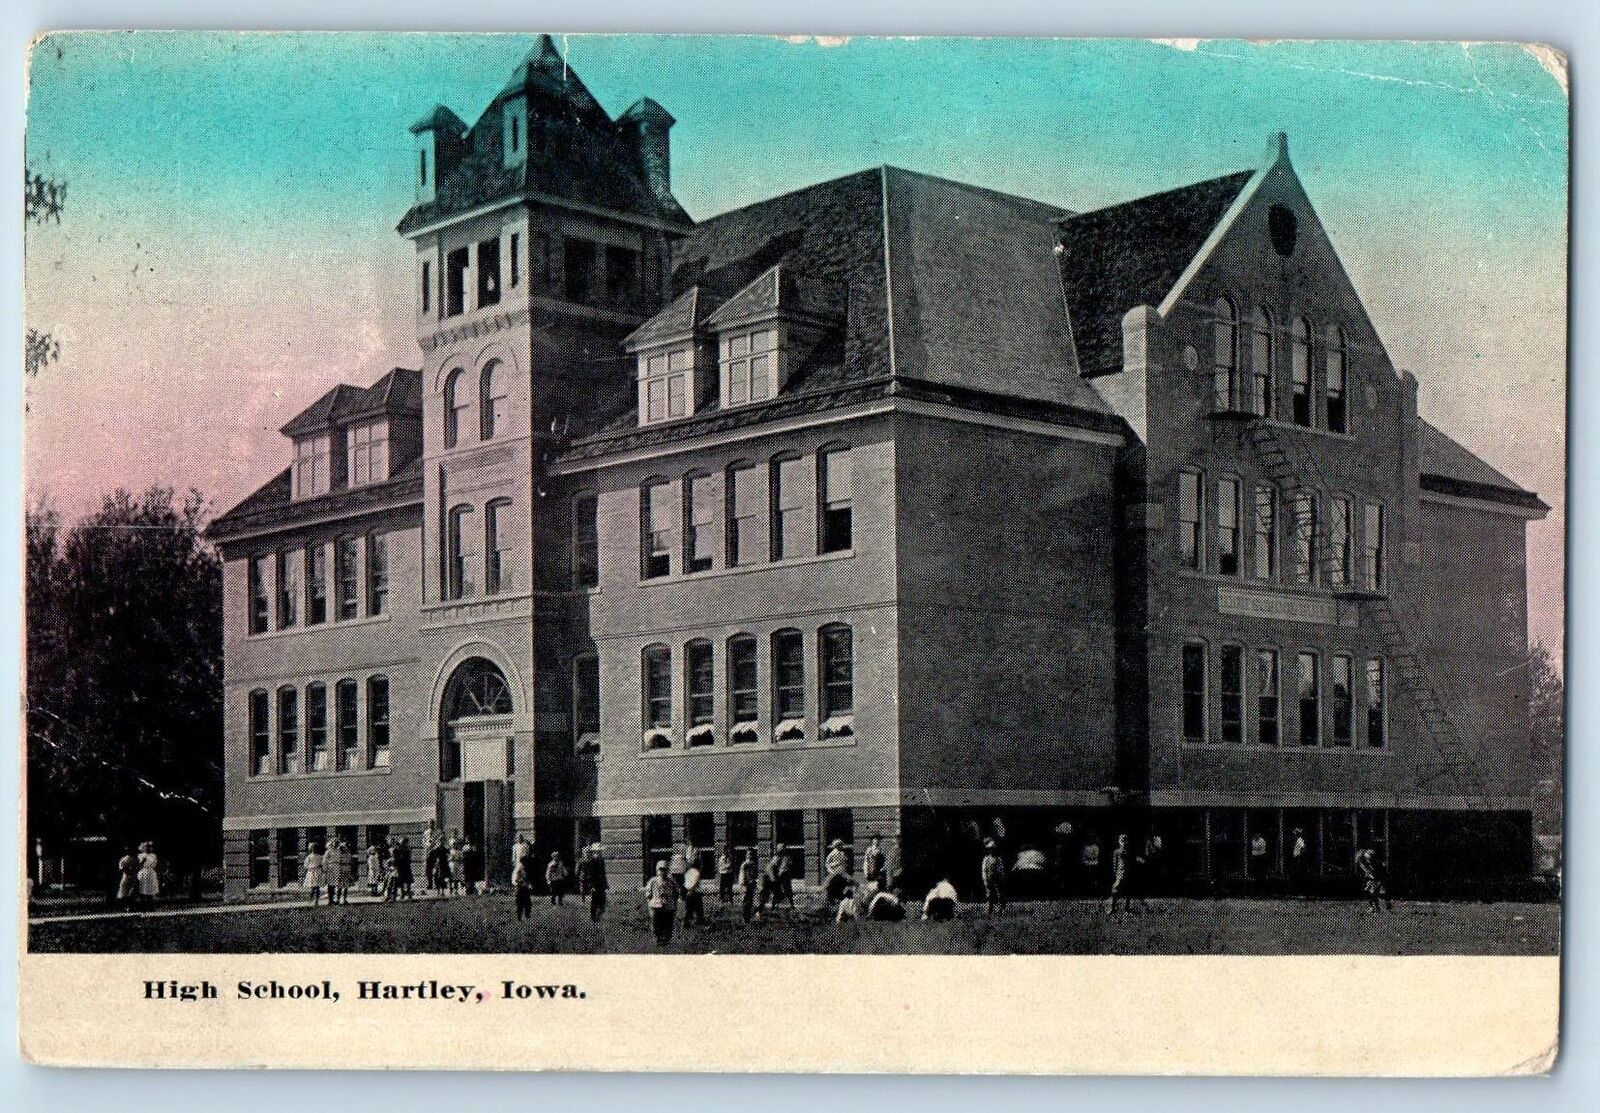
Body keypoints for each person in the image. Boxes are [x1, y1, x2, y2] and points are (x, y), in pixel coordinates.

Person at [644, 860, 679, 947]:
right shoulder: (653, 881)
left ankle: (666, 939)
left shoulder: (671, 881)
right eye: (660, 870)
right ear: (657, 870)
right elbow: (648, 893)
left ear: (667, 870)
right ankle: (658, 938)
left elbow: (676, 892)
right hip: (657, 905)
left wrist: (674, 903)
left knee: (668, 923)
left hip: (668, 905)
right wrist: (650, 903)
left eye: (664, 870)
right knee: (657, 923)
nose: (662, 872)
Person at [1356, 848, 1392, 913]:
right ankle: (1374, 907)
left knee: (1377, 893)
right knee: (1371, 893)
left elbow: (1378, 874)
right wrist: (1368, 873)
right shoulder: (1368, 863)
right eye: (1366, 858)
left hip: (1379, 879)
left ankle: (1382, 906)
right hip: (1374, 879)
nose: (1367, 860)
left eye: (1368, 858)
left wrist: (1371, 874)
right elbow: (1365, 868)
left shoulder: (1377, 864)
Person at [1105, 833, 1132, 915]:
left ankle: (1126, 909)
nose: (1124, 843)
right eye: (1122, 841)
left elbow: (1131, 863)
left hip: (1127, 873)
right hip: (1120, 873)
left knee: (1128, 892)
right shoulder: (1116, 852)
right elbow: (1115, 863)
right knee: (1114, 890)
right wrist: (1116, 873)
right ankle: (1112, 908)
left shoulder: (1128, 852)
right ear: (1119, 841)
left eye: (1125, 841)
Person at [981, 839, 1007, 913]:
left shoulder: (998, 859)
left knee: (999, 894)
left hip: (997, 879)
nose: (991, 851)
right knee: (989, 895)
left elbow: (1001, 869)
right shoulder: (986, 859)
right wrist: (985, 879)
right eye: (990, 849)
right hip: (989, 879)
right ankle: (989, 907)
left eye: (993, 849)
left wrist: (1001, 877)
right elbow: (984, 870)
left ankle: (1000, 908)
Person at [824, 839, 852, 904]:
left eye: (841, 845)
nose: (841, 847)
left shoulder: (842, 854)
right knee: (829, 885)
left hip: (842, 873)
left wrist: (844, 866)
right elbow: (827, 864)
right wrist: (832, 870)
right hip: (834, 873)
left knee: (848, 883)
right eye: (839, 845)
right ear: (836, 846)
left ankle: (845, 899)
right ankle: (830, 900)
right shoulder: (832, 854)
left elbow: (845, 862)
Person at [587, 844, 609, 922]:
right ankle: (593, 916)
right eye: (598, 852)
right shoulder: (591, 862)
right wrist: (592, 885)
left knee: (602, 900)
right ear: (594, 852)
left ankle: (599, 915)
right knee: (594, 901)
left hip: (601, 884)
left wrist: (606, 884)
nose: (599, 853)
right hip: (595, 884)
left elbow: (603, 873)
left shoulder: (601, 860)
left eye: (600, 852)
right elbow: (590, 875)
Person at [136, 842, 160, 909]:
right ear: (144, 848)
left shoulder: (154, 855)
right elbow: (139, 866)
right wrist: (142, 861)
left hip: (151, 872)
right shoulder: (140, 855)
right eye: (147, 847)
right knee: (143, 889)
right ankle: (142, 906)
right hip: (144, 872)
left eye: (149, 847)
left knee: (150, 889)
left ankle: (150, 905)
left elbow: (155, 865)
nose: (148, 848)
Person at [740, 848, 760, 923]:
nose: (749, 855)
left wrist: (755, 881)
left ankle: (748, 918)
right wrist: (743, 886)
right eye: (748, 854)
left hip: (751, 885)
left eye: (751, 854)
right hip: (745, 885)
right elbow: (742, 876)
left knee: (751, 902)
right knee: (745, 902)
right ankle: (745, 918)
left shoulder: (753, 864)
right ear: (746, 855)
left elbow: (754, 875)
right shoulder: (744, 865)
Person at [303, 842, 326, 906]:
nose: (314, 850)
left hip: (318, 872)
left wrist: (323, 870)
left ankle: (316, 900)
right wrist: (310, 867)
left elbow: (322, 864)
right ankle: (310, 900)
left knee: (318, 887)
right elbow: (305, 865)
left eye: (315, 848)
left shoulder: (320, 856)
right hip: (312, 872)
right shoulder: (309, 857)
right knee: (312, 887)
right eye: (313, 848)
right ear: (311, 849)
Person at [512, 857, 533, 921]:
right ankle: (521, 917)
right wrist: (522, 883)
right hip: (520, 887)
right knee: (521, 903)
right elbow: (516, 879)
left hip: (523, 887)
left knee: (526, 903)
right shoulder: (519, 868)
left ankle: (526, 916)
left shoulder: (523, 868)